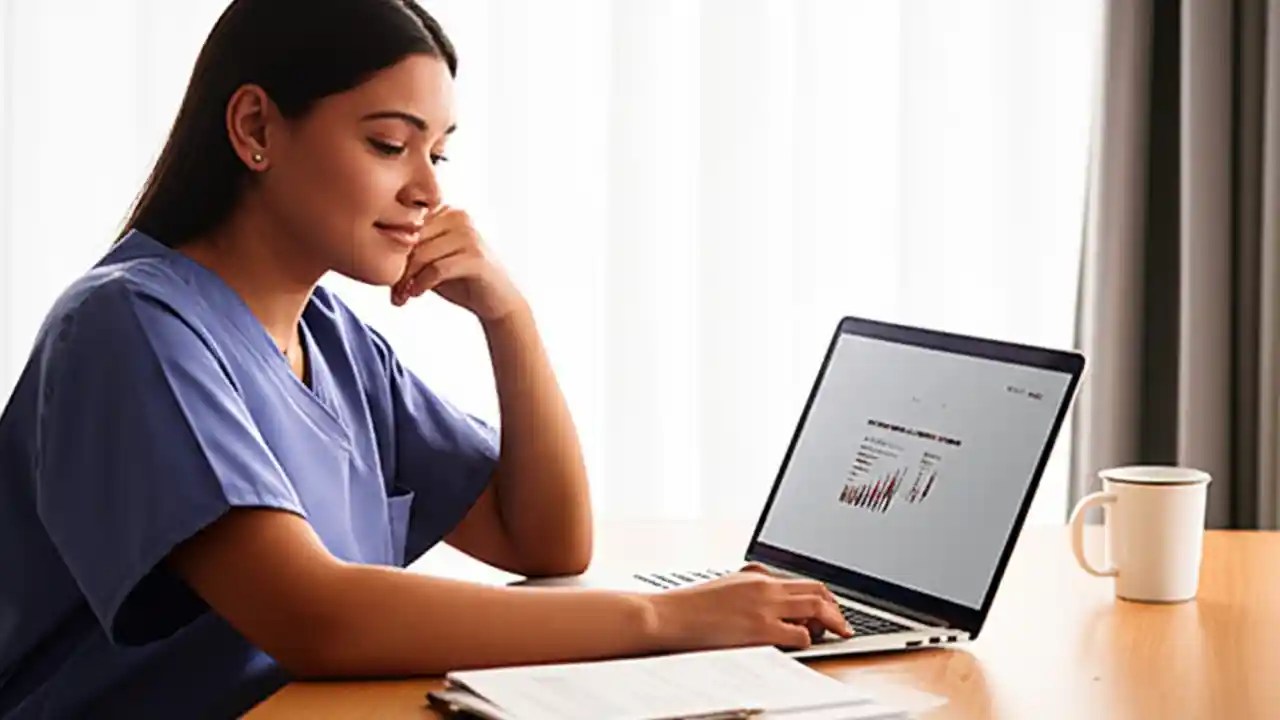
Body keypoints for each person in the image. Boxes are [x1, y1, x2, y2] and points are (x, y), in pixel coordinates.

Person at [0, 1, 851, 717]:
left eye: (437, 152)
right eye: (388, 144)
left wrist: (507, 315)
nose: (429, 191)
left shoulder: (331, 336)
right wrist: (668, 621)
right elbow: (314, 618)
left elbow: (546, 540)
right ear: (256, 127)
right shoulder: (126, 327)